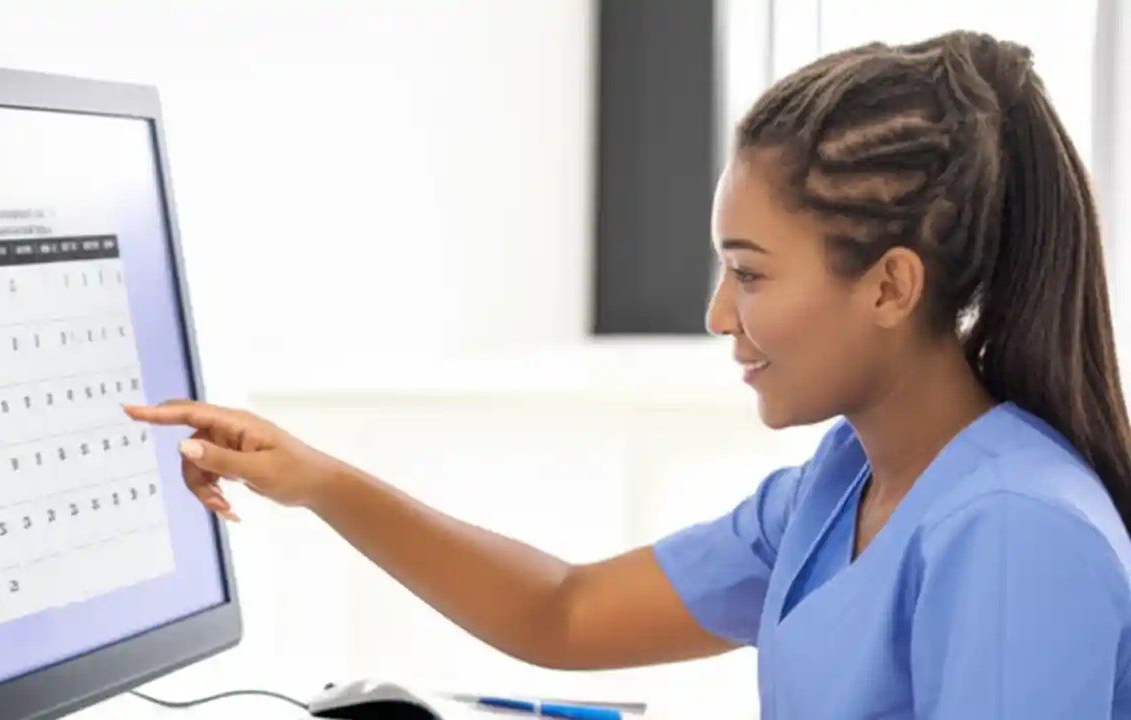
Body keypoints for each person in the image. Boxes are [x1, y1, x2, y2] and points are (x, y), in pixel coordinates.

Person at [125, 30, 1131, 718]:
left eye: (749, 273)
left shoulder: (1013, 531)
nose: (716, 316)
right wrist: (318, 481)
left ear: (887, 286)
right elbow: (560, 611)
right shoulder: (844, 483)